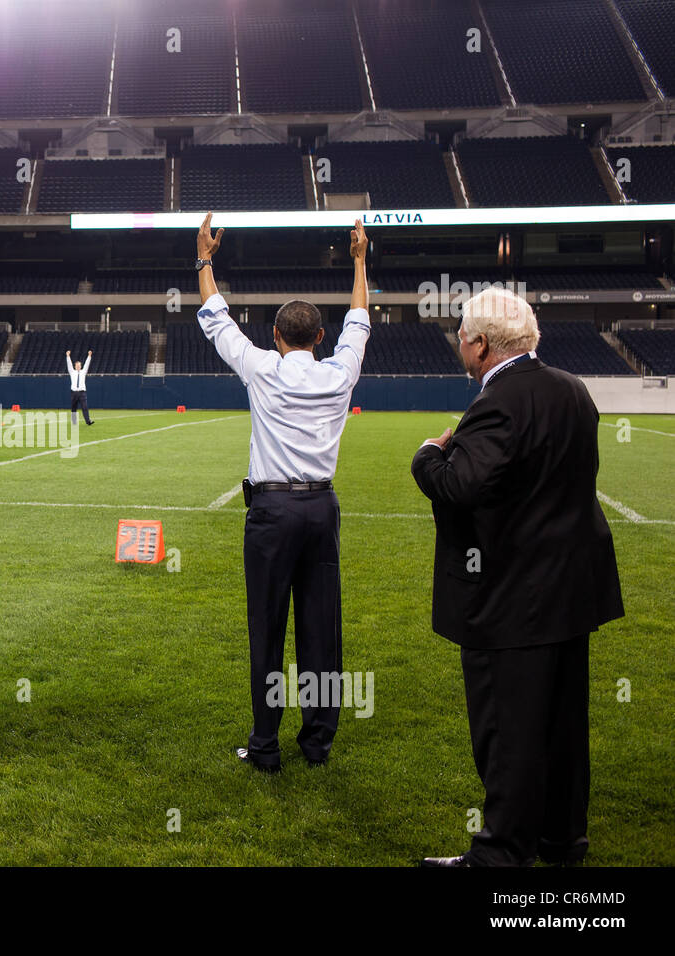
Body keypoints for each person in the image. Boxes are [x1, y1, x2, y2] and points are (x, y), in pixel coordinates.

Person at [411, 287, 623, 867]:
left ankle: (501, 852)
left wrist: (428, 455)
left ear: (480, 344)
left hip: (511, 596)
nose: (460, 345)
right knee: (561, 726)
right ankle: (561, 841)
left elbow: (461, 485)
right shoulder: (572, 389)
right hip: (570, 591)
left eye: (462, 336)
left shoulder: (500, 400)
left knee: (508, 730)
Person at [195, 212, 371, 773]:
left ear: (275, 335)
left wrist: (205, 258)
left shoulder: (262, 368)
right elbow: (360, 319)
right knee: (322, 629)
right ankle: (317, 743)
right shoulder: (340, 371)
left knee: (267, 627)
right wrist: (360, 259)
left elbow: (215, 317)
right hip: (321, 508)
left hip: (271, 510)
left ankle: (265, 746)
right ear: (320, 337)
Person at [65, 349, 94, 426]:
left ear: (81, 366)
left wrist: (89, 356)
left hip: (82, 393)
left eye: (79, 365)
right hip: (74, 393)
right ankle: (74, 422)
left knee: (85, 407)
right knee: (73, 408)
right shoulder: (72, 372)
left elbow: (87, 364)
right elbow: (69, 364)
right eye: (77, 366)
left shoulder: (83, 372)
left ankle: (88, 421)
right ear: (75, 366)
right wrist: (68, 356)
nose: (78, 366)